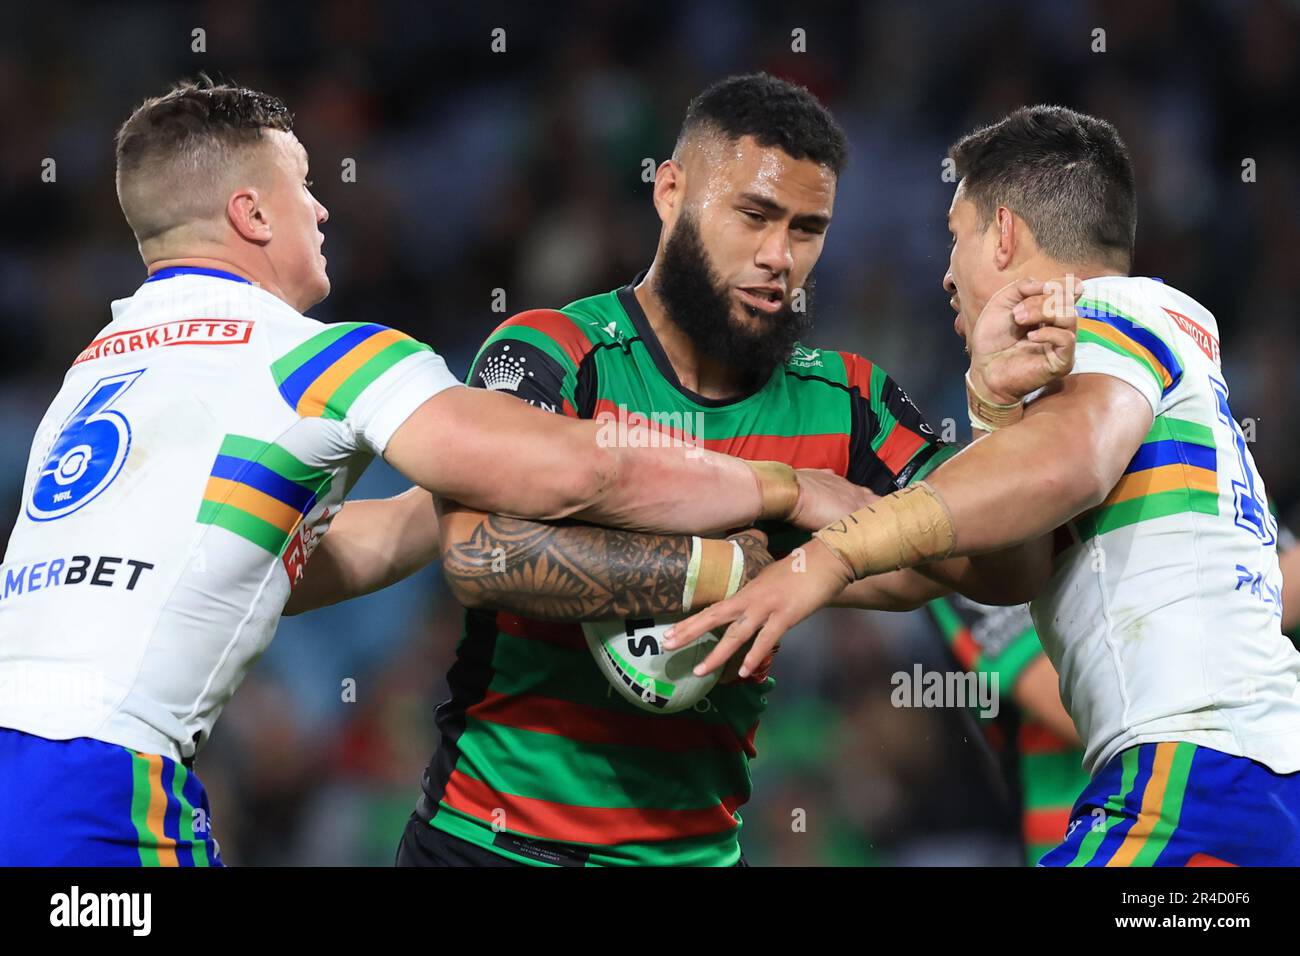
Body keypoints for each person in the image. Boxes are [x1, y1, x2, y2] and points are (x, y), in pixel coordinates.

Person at [0, 77, 867, 867]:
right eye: (304, 188)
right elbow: (575, 471)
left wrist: (448, 499)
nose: (323, 212)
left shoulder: (96, 373)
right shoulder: (319, 359)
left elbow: (267, 563)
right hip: (95, 786)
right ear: (253, 214)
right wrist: (782, 487)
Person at [319, 74, 1059, 867]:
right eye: (753, 215)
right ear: (670, 191)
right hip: (487, 844)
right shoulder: (555, 354)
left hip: (697, 852)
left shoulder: (848, 400)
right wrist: (740, 562)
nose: (780, 256)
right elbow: (478, 556)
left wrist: (995, 407)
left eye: (809, 229)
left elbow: (999, 564)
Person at [667, 104, 1300, 866]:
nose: (944, 272)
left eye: (955, 236)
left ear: (1002, 235)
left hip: (1190, 787)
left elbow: (1069, 463)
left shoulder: (1106, 312)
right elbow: (1025, 521)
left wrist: (831, 555)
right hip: (1244, 781)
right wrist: (990, 411)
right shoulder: (1156, 355)